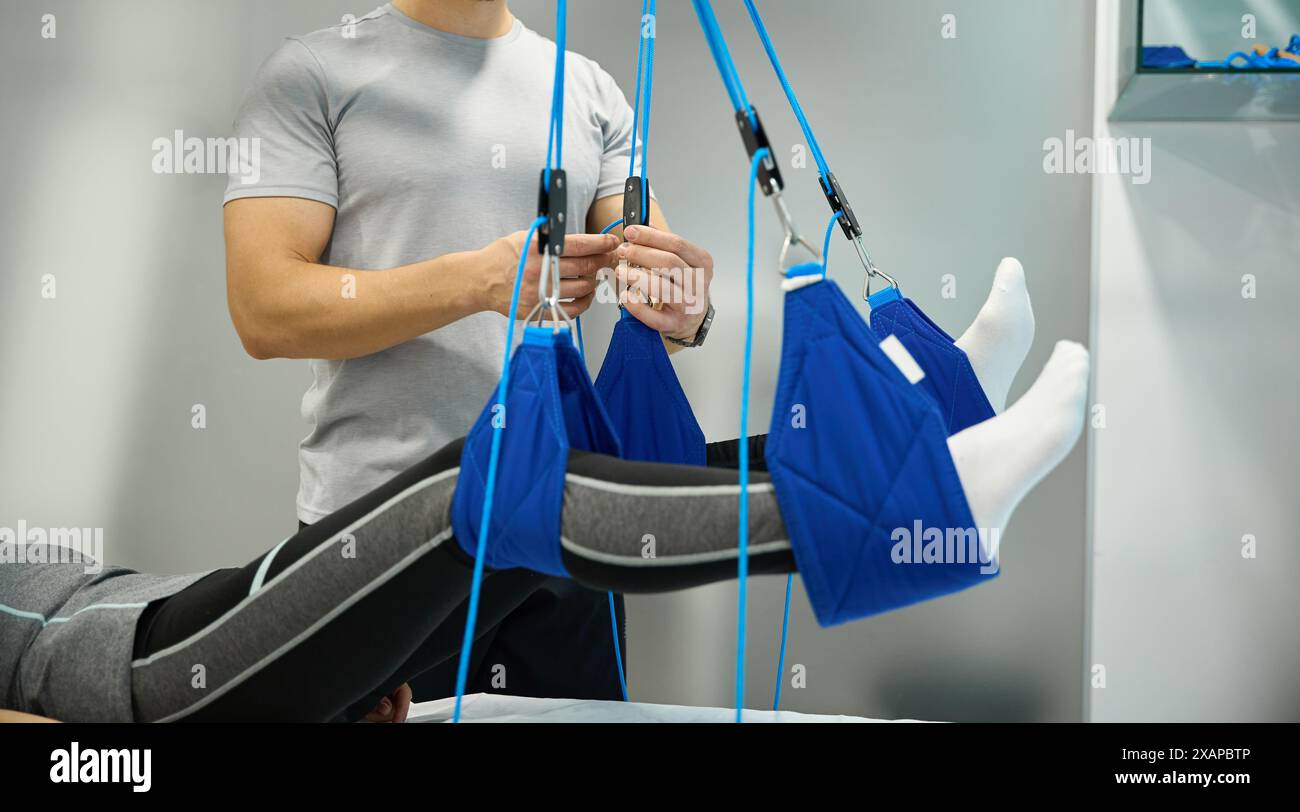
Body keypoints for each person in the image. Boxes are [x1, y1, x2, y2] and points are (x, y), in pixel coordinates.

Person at [0, 261, 1090, 722]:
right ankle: (920, 502)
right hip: (132, 681)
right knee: (482, 499)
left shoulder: (581, 84)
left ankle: (928, 421)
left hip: (170, 613)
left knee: (523, 488)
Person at [222, 0, 718, 706]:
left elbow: (659, 274)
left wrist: (684, 309)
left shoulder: (589, 91)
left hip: (557, 534)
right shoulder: (313, 78)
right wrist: (479, 282)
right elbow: (265, 310)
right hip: (381, 543)